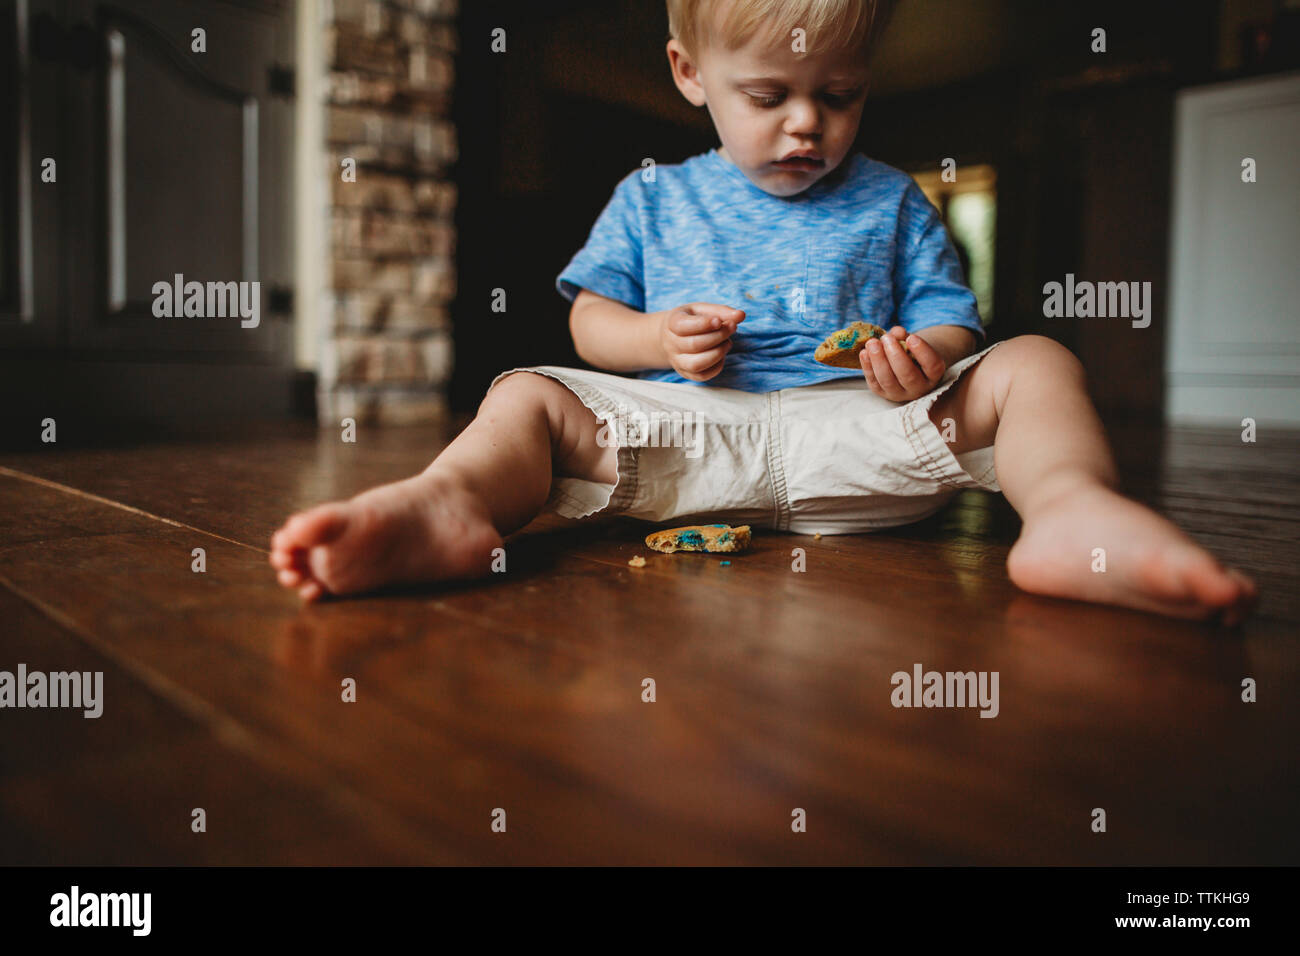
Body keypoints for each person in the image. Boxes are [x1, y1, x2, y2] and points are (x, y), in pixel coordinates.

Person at [270, 0, 1256, 624]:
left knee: (1036, 362)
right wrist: (655, 338)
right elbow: (590, 324)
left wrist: (923, 356)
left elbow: (957, 324)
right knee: (525, 393)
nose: (805, 124)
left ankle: (1070, 510)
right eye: (769, 94)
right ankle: (455, 504)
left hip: (858, 432)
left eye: (839, 95)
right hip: (685, 438)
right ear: (689, 74)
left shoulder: (894, 199)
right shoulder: (652, 195)